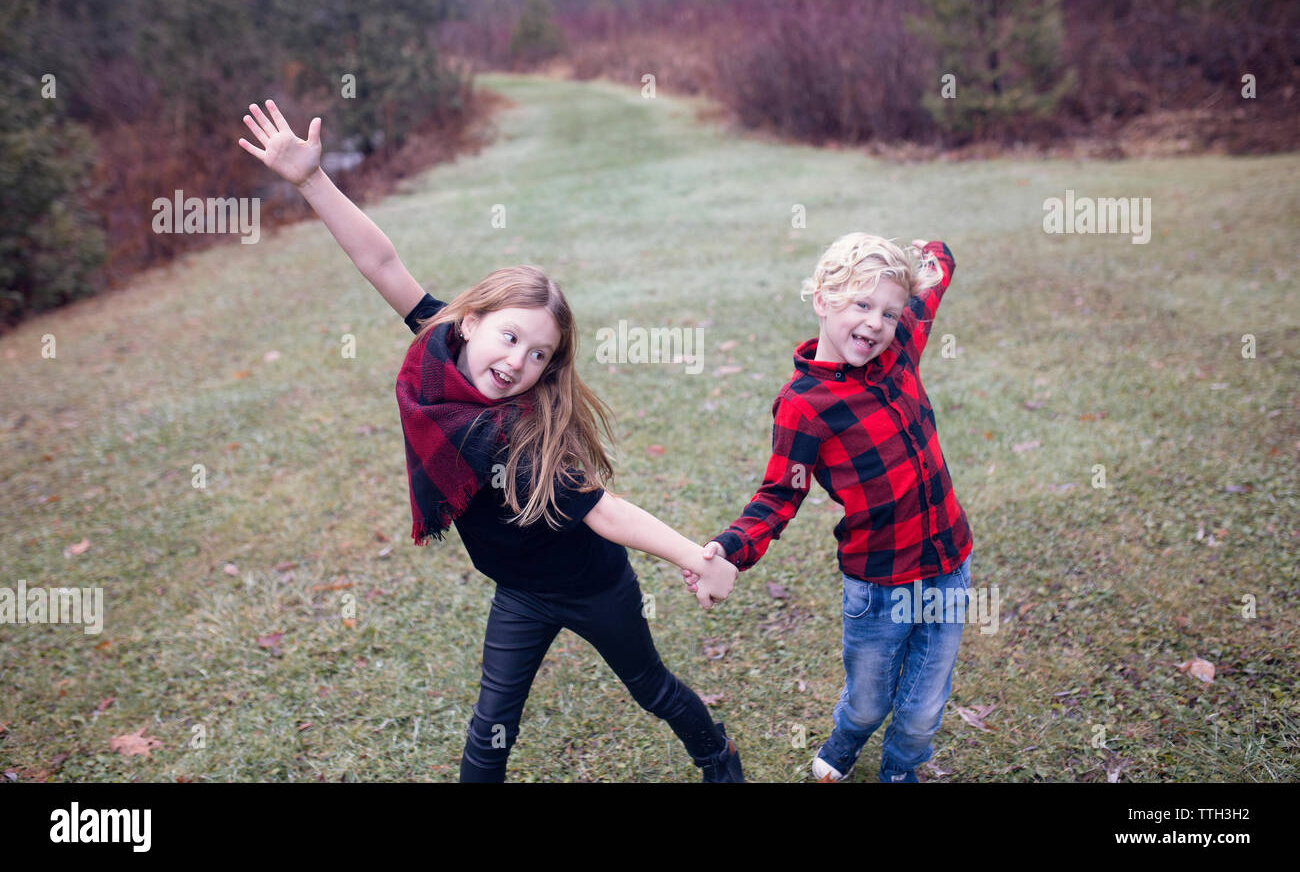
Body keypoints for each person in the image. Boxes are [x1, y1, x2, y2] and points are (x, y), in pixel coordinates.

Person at [238, 99, 742, 782]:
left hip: (595, 587)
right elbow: (382, 263)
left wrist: (696, 556)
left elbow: (605, 511)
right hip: (520, 592)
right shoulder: (438, 349)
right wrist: (311, 182)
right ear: (470, 321)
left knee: (651, 688)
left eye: (539, 356)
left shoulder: (521, 435)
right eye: (511, 337)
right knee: (490, 731)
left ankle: (716, 754)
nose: (518, 363)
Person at [683, 232, 974, 782]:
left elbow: (932, 287)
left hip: (948, 565)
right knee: (868, 701)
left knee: (922, 711)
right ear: (821, 299)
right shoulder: (803, 407)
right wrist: (730, 547)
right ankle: (846, 739)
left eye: (888, 312)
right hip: (879, 584)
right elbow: (779, 495)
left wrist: (934, 250)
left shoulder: (900, 348)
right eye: (860, 305)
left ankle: (898, 772)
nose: (875, 324)